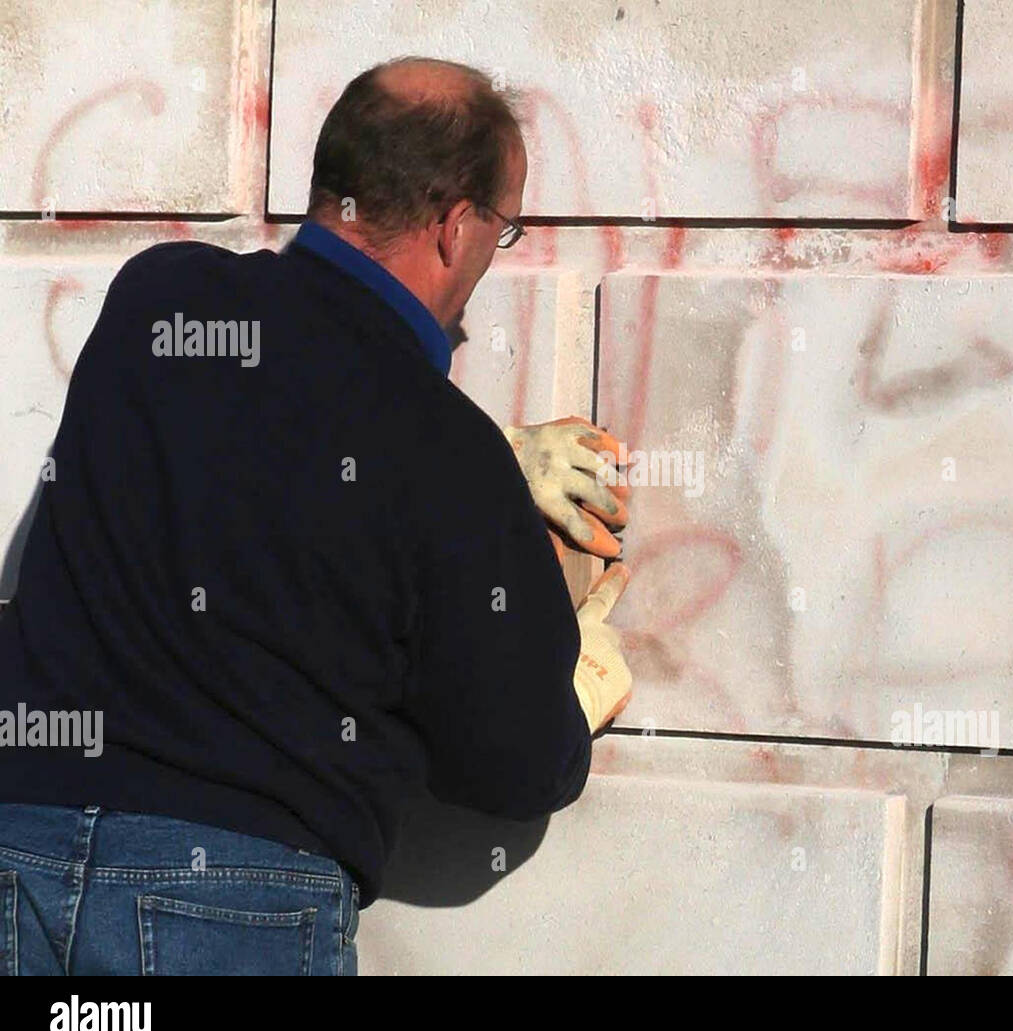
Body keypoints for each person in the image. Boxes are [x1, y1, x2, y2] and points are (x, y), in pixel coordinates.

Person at [0, 57, 632, 976]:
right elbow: (512, 762)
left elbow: (270, 424)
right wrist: (567, 699)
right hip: (228, 901)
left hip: (19, 848)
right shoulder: (449, 453)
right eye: (504, 227)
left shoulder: (157, 299)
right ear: (457, 228)